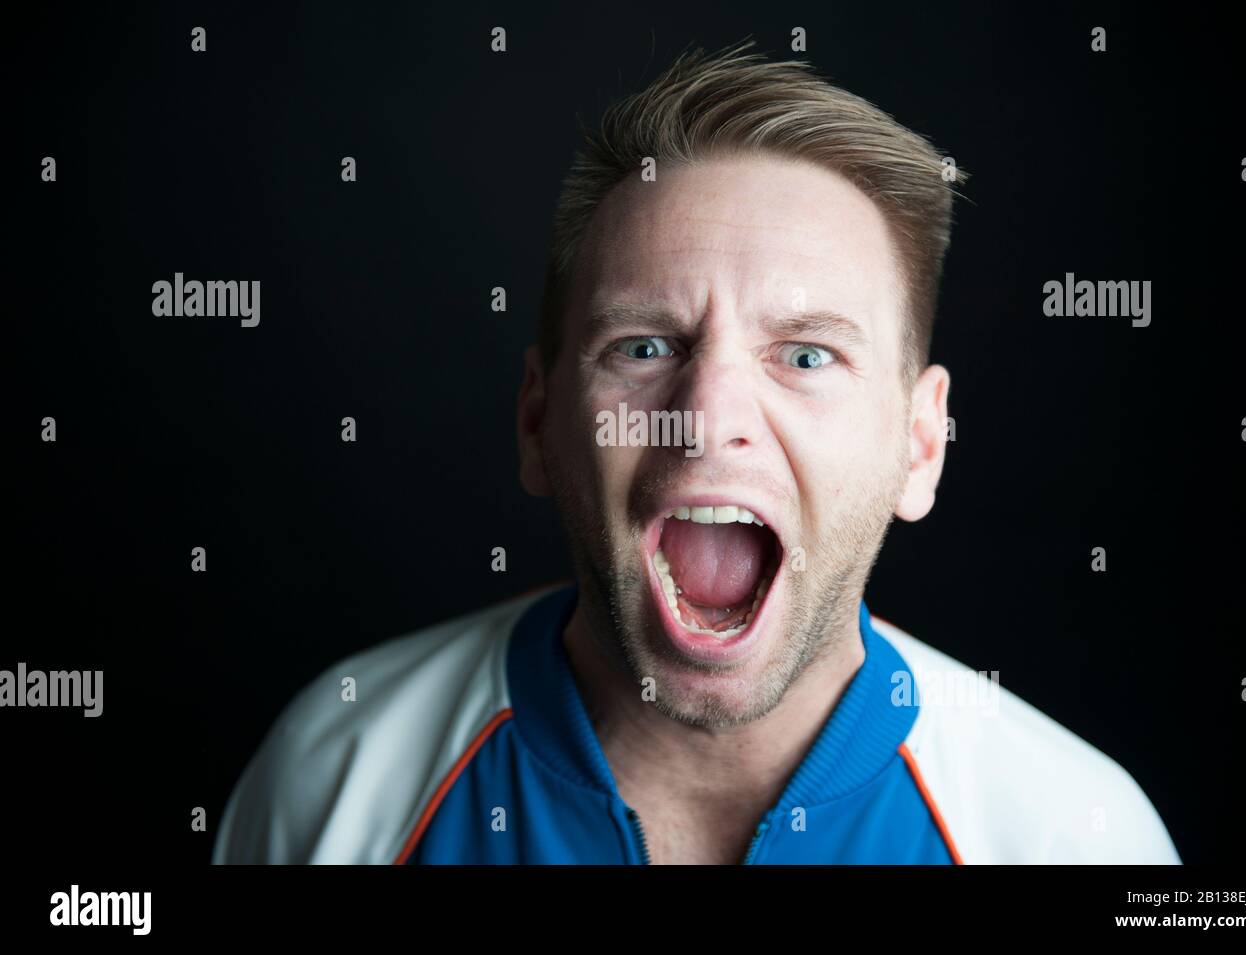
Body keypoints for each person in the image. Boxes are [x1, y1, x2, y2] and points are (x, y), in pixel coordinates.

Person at [213, 41, 1180, 865]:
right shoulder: (333, 782)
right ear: (537, 424)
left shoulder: (1074, 836)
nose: (706, 419)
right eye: (644, 347)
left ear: (920, 445)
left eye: (806, 354)